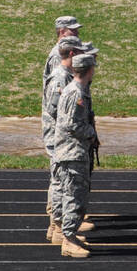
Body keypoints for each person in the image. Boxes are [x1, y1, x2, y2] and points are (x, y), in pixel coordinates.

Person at [53, 51, 99, 259]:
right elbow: (70, 124)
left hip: (73, 152)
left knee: (73, 195)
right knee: (74, 197)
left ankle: (69, 235)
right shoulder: (76, 93)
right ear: (89, 69)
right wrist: (91, 134)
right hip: (72, 154)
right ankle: (69, 239)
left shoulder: (76, 90)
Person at [42, 35, 83, 239]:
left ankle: (57, 225)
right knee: (59, 181)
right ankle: (57, 226)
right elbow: (56, 111)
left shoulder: (66, 75)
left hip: (62, 137)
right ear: (73, 53)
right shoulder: (60, 77)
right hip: (59, 138)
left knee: (60, 180)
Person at [42, 15, 82, 97]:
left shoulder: (65, 51)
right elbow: (57, 89)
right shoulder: (57, 55)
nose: (77, 32)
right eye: (73, 30)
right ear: (62, 31)